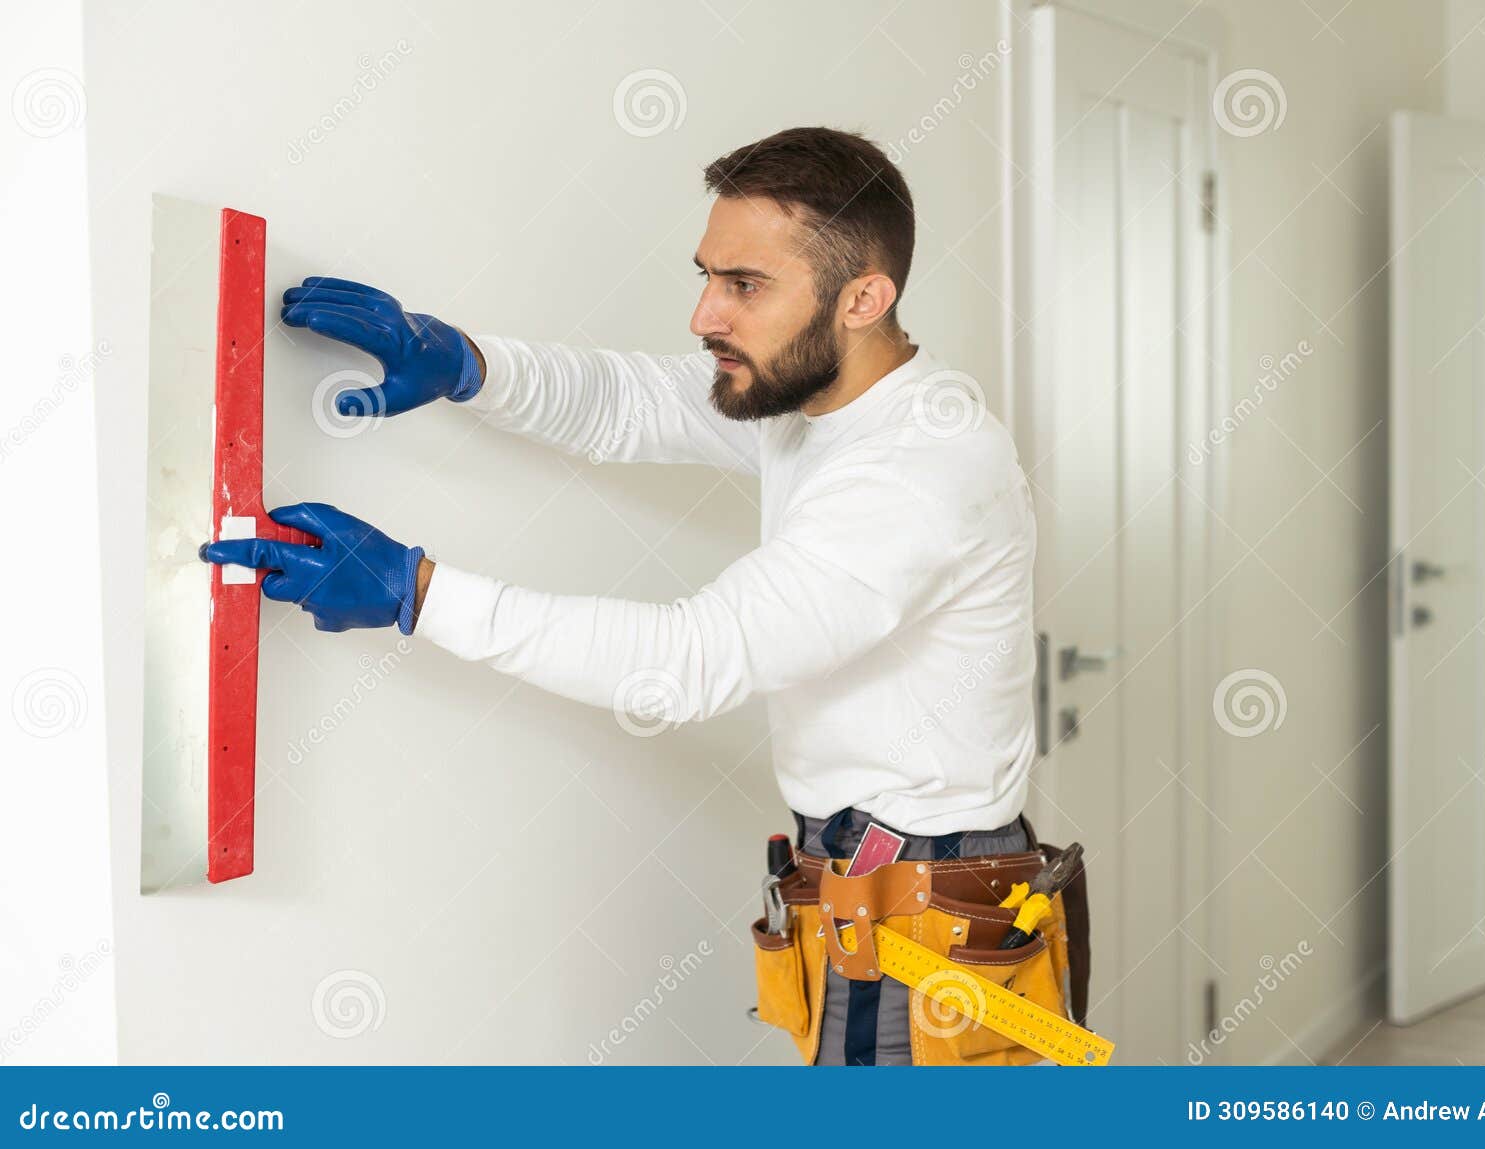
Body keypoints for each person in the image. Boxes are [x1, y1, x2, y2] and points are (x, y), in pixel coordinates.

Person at [202, 125, 1040, 1065]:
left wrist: (416, 592)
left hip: (925, 917)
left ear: (863, 298)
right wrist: (462, 362)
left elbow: (687, 664)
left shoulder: (918, 466)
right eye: (707, 275)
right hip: (863, 888)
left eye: (744, 286)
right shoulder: (812, 403)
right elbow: (626, 401)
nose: (705, 316)